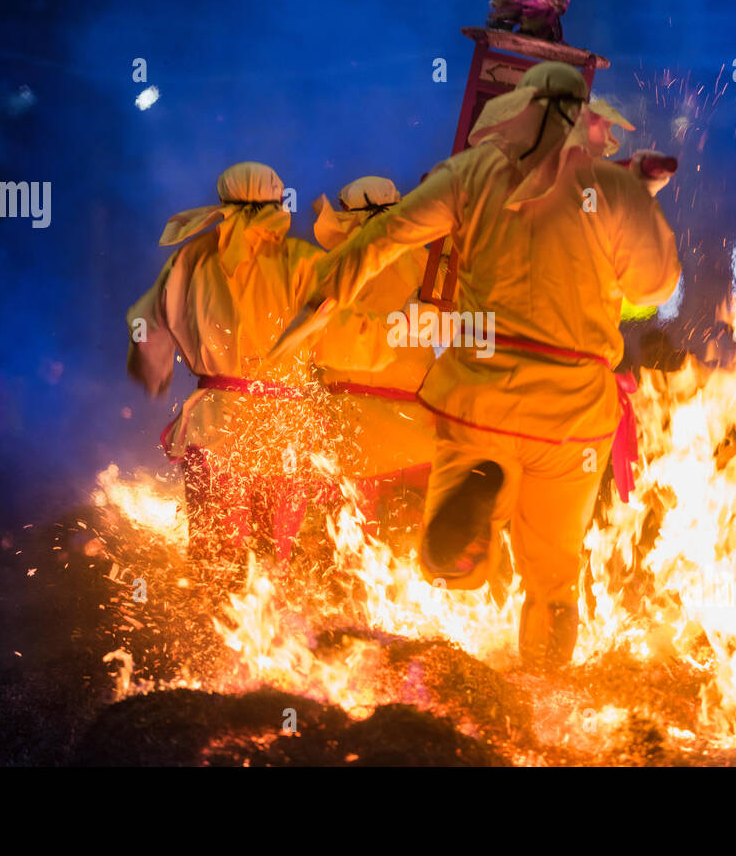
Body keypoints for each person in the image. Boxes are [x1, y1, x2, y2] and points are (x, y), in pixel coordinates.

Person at [273, 61, 681, 669]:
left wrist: (319, 302)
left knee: (452, 553)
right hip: (571, 417)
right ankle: (546, 690)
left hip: (481, 398)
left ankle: (470, 508)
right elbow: (657, 282)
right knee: (553, 578)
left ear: (515, 109)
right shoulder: (612, 191)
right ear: (586, 121)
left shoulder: (472, 173)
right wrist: (635, 207)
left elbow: (386, 237)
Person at [125, 162, 389, 585]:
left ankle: (214, 637)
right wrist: (390, 343)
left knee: (216, 556)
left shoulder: (191, 259)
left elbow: (146, 323)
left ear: (224, 199)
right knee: (272, 560)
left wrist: (153, 371)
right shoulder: (304, 262)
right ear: (277, 199)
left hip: (216, 427)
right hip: (284, 433)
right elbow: (340, 332)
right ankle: (267, 641)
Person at [311, 177, 436, 538]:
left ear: (350, 215)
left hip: (353, 439)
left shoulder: (335, 267)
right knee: (415, 553)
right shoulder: (426, 264)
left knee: (355, 551)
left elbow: (313, 342)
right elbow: (461, 327)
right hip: (420, 438)